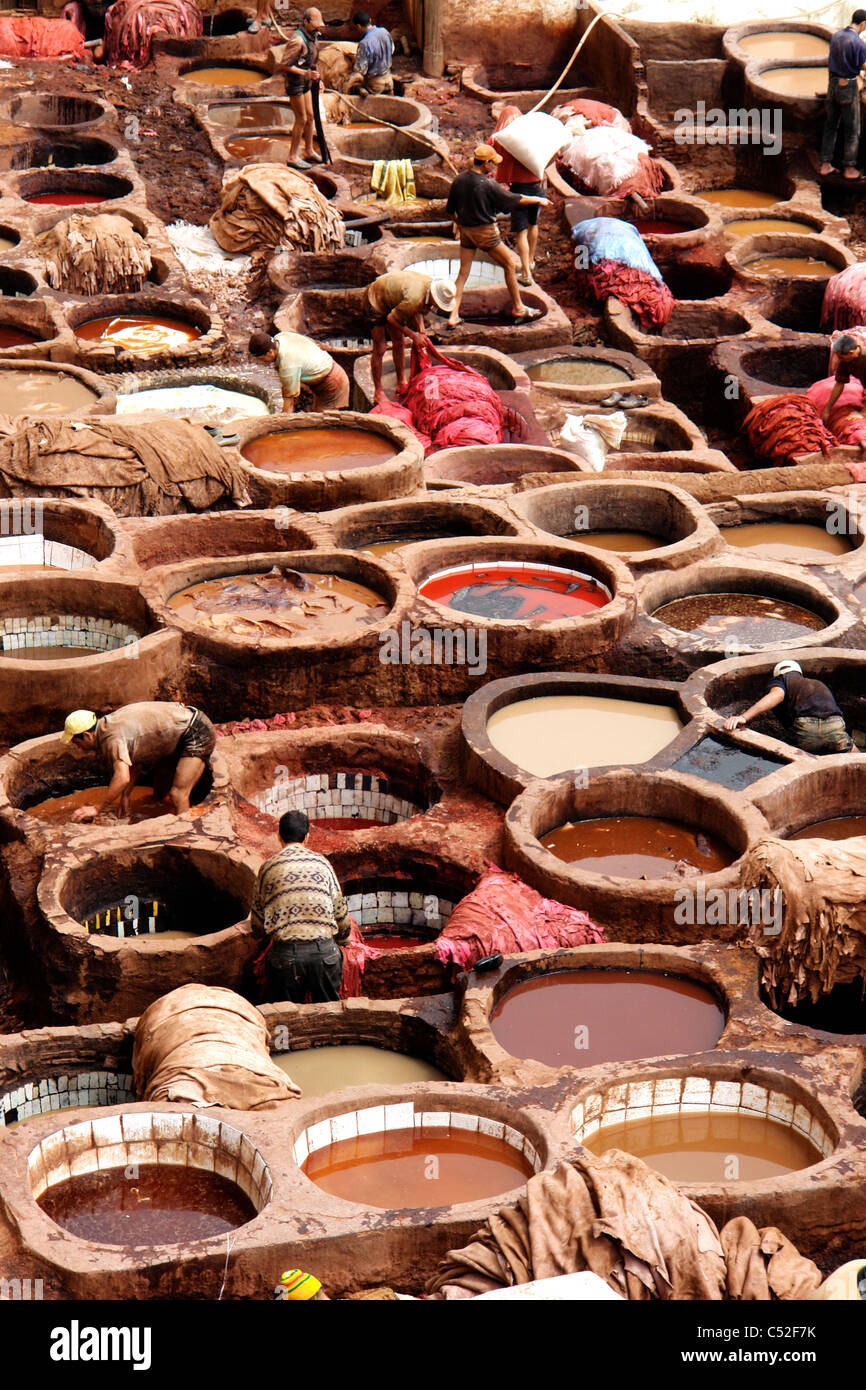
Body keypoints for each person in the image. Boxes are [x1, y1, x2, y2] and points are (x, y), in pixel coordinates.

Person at [251, 809, 351, 1003]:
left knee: (286, 1016)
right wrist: (343, 940)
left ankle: (286, 1035)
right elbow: (340, 913)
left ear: (278, 836)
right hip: (325, 955)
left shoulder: (268, 868)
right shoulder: (322, 864)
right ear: (307, 837)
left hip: (285, 958)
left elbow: (257, 923)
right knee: (331, 1016)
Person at [444, 145, 548, 327]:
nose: (494, 167)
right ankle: (518, 307)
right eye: (492, 163)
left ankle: (453, 315)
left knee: (462, 274)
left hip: (466, 232)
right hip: (485, 232)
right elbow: (513, 199)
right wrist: (538, 199)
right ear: (485, 163)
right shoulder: (487, 184)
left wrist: (460, 224)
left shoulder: (459, 180)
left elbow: (450, 211)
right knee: (509, 265)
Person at [60, 702, 217, 822]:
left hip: (196, 731)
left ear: (88, 736)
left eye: (76, 742)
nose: (78, 747)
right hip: (179, 727)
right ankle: (165, 810)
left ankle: (183, 833)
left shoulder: (111, 739)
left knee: (178, 794)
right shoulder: (107, 723)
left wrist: (96, 808)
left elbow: (122, 778)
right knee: (160, 782)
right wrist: (126, 796)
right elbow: (134, 761)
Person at [362, 269, 457, 402]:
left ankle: (401, 382)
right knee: (380, 347)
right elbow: (392, 319)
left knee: (399, 341)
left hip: (392, 300)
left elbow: (417, 309)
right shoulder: (415, 297)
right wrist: (414, 336)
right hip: (375, 299)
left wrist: (422, 331)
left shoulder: (427, 287)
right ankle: (378, 392)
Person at [723, 659, 854, 754]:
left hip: (807, 729)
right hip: (835, 725)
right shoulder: (816, 683)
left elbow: (777, 695)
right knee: (849, 749)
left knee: (781, 754)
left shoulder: (782, 679)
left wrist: (744, 717)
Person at [491, 105, 551, 286]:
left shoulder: (505, 138)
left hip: (519, 191)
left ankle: (526, 273)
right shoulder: (532, 136)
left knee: (521, 231)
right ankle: (531, 261)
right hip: (537, 187)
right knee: (533, 224)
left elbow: (489, 148)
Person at [248, 329, 350, 412]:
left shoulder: (288, 364)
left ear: (270, 352)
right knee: (315, 411)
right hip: (324, 368)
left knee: (324, 419)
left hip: (332, 382)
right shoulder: (281, 337)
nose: (261, 362)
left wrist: (283, 422)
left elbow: (289, 402)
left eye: (261, 359)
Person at [820, 10, 866, 179]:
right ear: (863, 24)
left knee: (830, 125)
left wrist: (856, 70)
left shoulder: (836, 36)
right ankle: (849, 168)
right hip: (848, 87)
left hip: (832, 84)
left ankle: (825, 164)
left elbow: (842, 59)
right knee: (852, 129)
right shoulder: (859, 43)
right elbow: (864, 65)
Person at [281, 6, 325, 170]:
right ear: (306, 21)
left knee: (311, 116)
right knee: (301, 118)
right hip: (296, 83)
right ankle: (292, 156)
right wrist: (304, 73)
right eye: (315, 25)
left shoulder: (313, 37)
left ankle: (308, 150)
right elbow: (285, 65)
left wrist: (318, 78)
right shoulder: (297, 41)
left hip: (307, 80)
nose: (318, 29)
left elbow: (314, 61)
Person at [822, 332, 866, 428]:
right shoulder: (845, 362)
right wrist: (827, 410)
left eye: (841, 357)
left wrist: (863, 412)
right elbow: (839, 384)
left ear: (851, 353)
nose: (839, 359)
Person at [346, 10, 393, 95]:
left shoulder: (364, 43)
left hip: (375, 84)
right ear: (370, 20)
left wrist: (355, 60)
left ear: (358, 26)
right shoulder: (384, 32)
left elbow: (360, 70)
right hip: (389, 79)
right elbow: (392, 50)